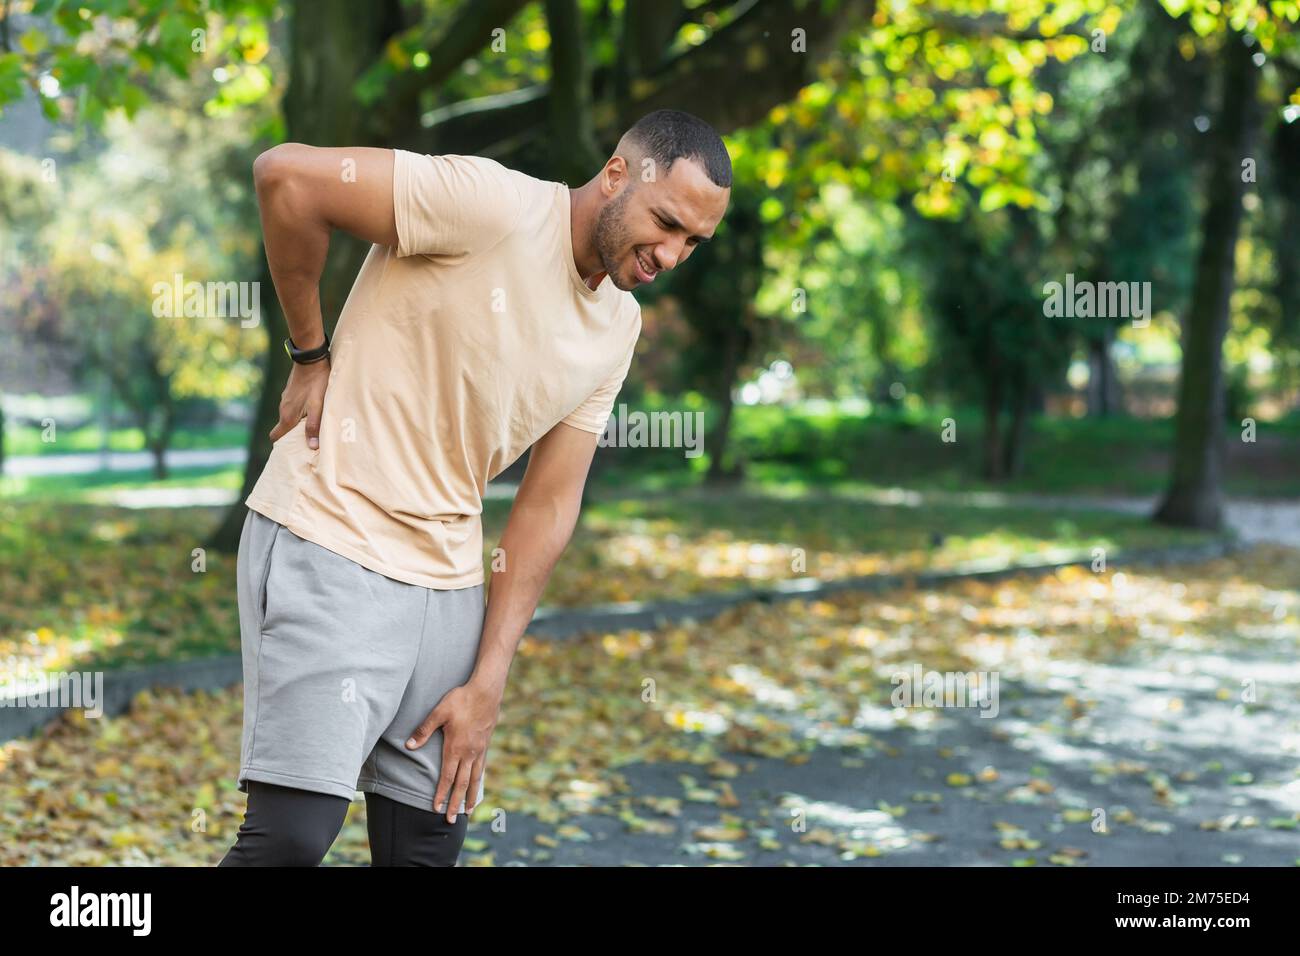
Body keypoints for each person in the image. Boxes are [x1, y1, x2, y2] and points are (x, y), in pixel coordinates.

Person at [218, 109, 732, 866]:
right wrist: (308, 354)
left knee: (426, 847)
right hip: (331, 535)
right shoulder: (490, 204)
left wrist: (488, 677)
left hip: (449, 586)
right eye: (665, 223)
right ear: (617, 174)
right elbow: (286, 176)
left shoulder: (616, 326)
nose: (672, 254)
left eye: (693, 240)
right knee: (290, 841)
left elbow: (548, 504)